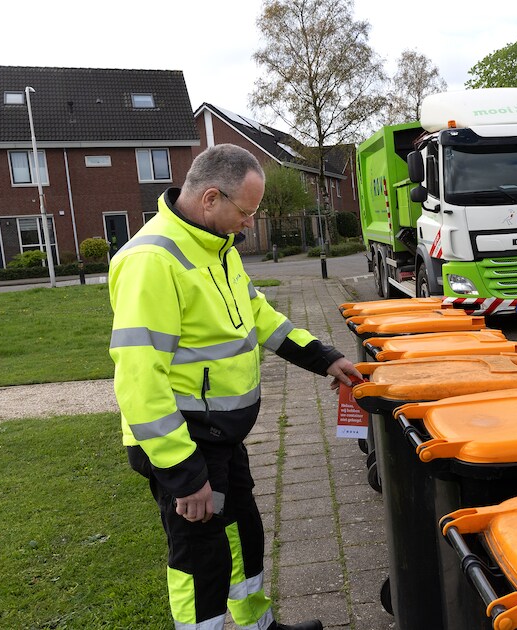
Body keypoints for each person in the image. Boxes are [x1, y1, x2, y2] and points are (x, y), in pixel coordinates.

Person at [109, 144, 360, 630]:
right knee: (201, 559)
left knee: (244, 534)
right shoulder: (152, 260)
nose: (250, 222)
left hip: (221, 436)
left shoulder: (216, 248)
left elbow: (259, 317)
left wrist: (326, 359)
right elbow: (139, 378)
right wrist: (184, 474)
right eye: (245, 212)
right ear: (209, 199)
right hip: (185, 444)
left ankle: (255, 625)